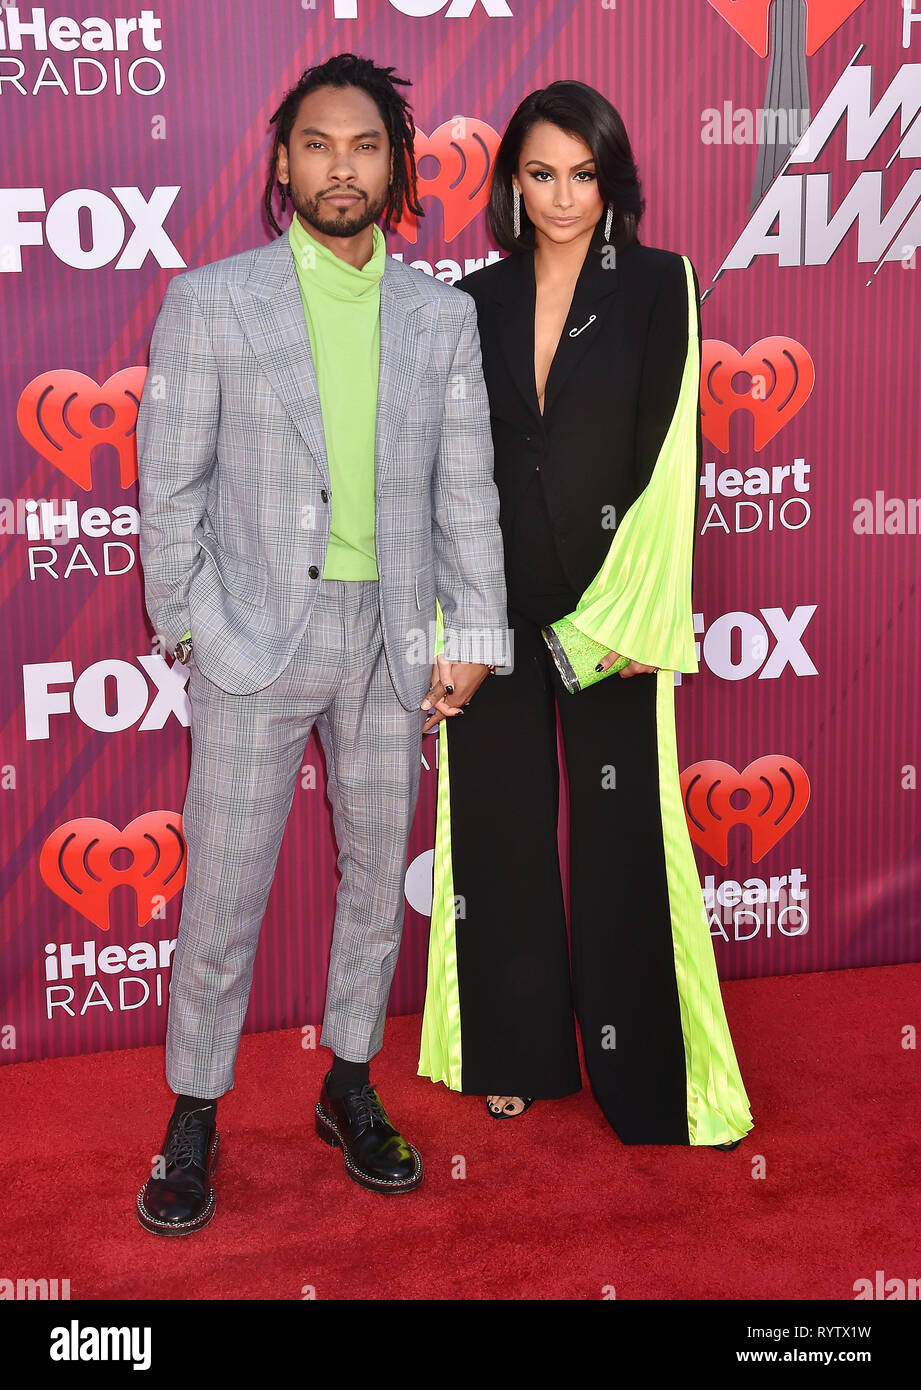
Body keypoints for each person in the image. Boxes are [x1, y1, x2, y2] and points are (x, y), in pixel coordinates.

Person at [134, 53, 507, 1233]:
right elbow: (168, 488)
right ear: (283, 162)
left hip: (392, 639)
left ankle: (349, 1082)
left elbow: (468, 493)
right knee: (225, 888)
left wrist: (477, 631)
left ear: (396, 164)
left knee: (369, 884)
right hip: (256, 634)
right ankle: (194, 1107)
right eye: (316, 144)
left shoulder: (441, 316)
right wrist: (191, 623)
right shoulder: (215, 301)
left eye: (362, 145)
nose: (339, 166)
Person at [418, 81, 753, 1149]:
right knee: (499, 824)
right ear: (512, 182)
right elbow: (454, 469)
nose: (562, 197)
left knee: (623, 835)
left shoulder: (661, 285)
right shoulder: (475, 297)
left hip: (615, 607)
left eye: (583, 174)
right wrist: (466, 623)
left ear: (613, 180)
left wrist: (617, 618)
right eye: (540, 174)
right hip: (496, 597)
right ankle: (516, 1050)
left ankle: (644, 1071)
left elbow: (669, 463)